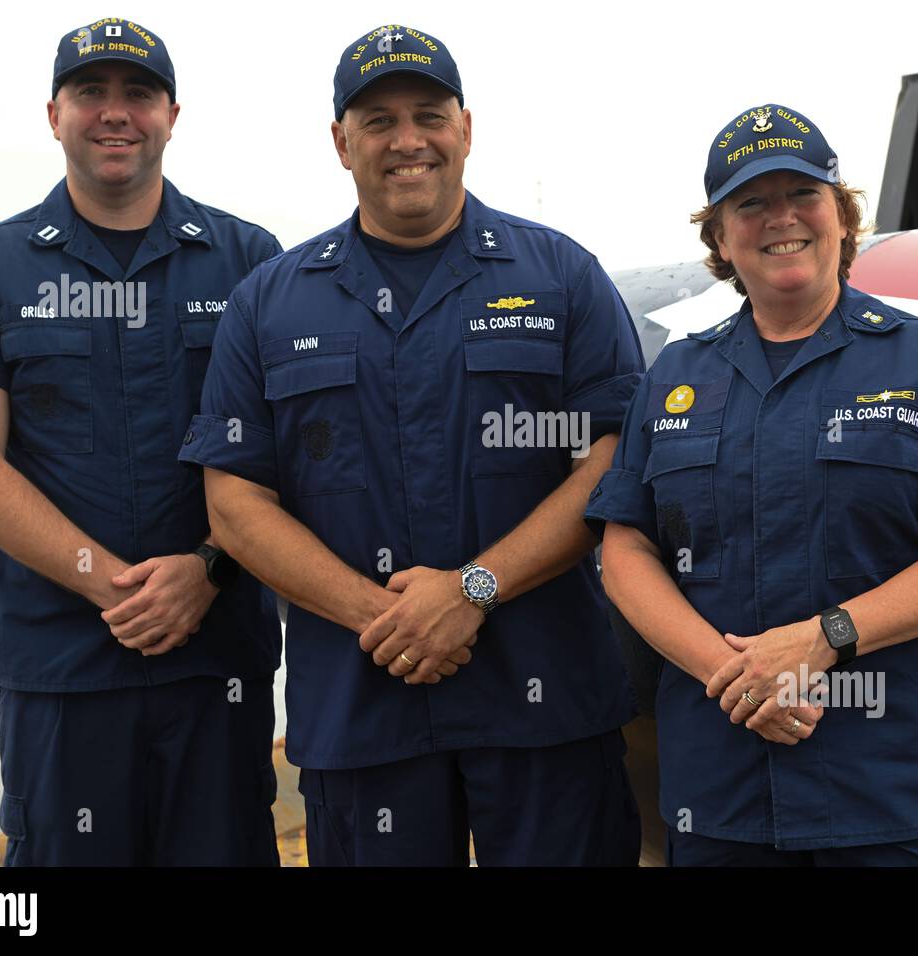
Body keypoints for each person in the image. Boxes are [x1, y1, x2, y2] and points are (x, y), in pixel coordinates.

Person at [179, 24, 643, 866]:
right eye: (378, 120)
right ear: (340, 142)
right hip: (365, 707)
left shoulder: (563, 277)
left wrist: (473, 590)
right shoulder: (270, 303)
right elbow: (235, 505)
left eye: (428, 114)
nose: (407, 141)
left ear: (465, 128)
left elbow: (614, 466)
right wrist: (389, 618)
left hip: (545, 706)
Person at [585, 103, 918, 866]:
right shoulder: (675, 379)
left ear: (842, 216)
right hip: (725, 797)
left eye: (803, 195)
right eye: (751, 203)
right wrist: (732, 673)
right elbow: (625, 552)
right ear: (720, 237)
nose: (781, 219)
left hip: (900, 800)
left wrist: (825, 638)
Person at [0, 18, 283, 866]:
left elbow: (291, 454)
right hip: (62, 669)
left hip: (216, 655)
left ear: (172, 114)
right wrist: (107, 584)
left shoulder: (251, 264)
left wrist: (208, 569)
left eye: (138, 94)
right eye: (91, 93)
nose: (115, 114)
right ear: (54, 114)